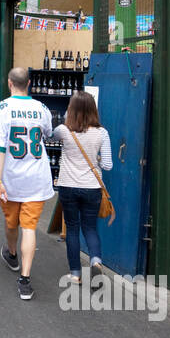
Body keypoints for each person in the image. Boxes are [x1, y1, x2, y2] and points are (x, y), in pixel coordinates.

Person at [0, 67, 54, 301]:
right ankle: (24, 279)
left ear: (9, 82)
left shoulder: (1, 109)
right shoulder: (42, 108)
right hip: (37, 177)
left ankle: (12, 253)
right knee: (30, 227)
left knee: (11, 222)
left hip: (11, 178)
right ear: (30, 83)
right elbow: (48, 133)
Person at [52, 91, 113, 284]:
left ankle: (76, 274)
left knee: (72, 229)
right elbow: (108, 165)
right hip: (92, 188)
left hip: (68, 186)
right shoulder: (102, 133)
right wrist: (95, 158)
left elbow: (52, 136)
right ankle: (95, 261)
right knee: (90, 228)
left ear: (71, 109)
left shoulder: (63, 130)